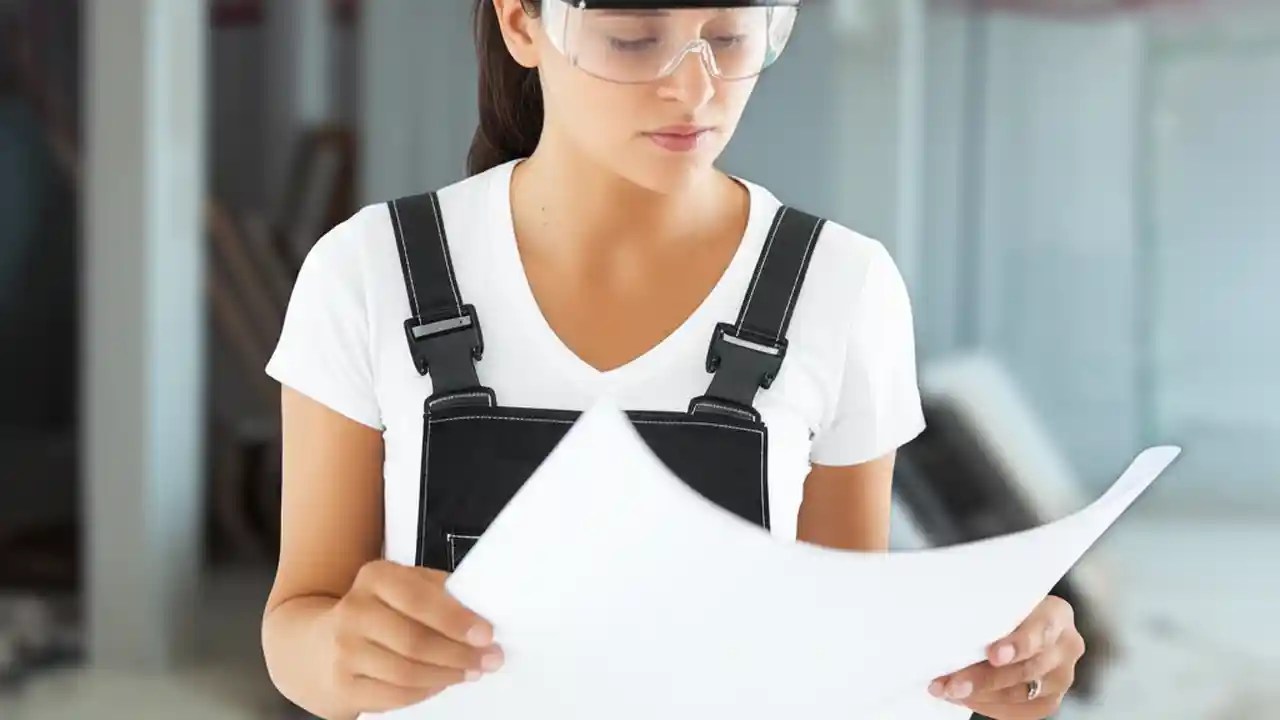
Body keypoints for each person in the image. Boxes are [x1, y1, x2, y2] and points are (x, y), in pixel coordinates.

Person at [259, 1, 1086, 719]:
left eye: (729, 39)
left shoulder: (843, 287)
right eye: (632, 40)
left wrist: (993, 657)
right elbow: (299, 628)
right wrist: (339, 653)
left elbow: (838, 644)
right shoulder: (369, 271)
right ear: (522, 23)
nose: (695, 91)